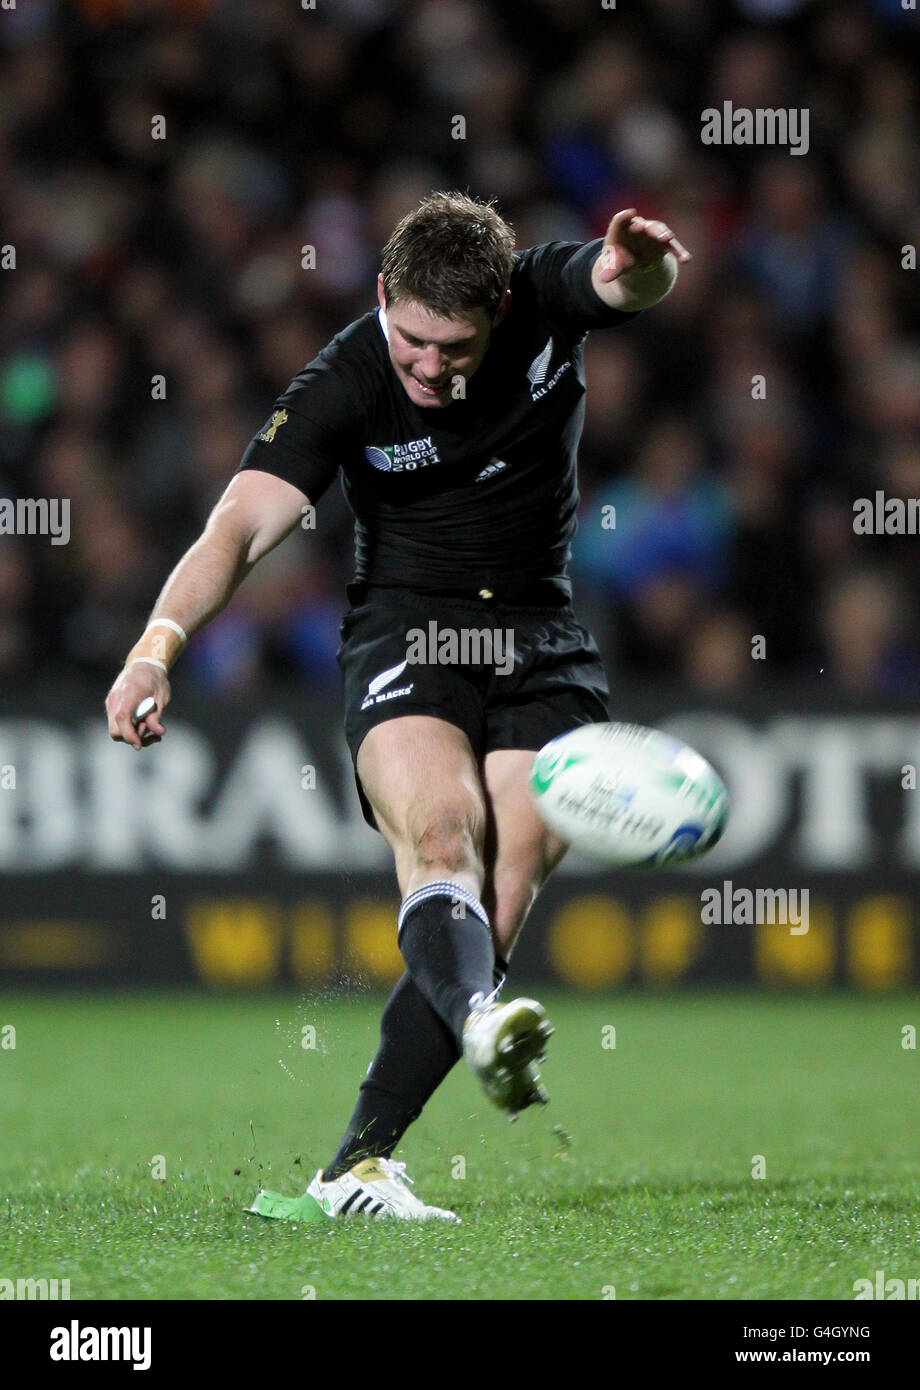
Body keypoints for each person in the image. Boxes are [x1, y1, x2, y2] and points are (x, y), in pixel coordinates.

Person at [105, 193, 689, 1222]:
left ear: (498, 309)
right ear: (382, 297)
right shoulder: (345, 380)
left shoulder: (542, 300)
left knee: (504, 888)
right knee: (439, 833)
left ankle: (355, 1163)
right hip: (405, 634)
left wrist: (645, 264)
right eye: (410, 339)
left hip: (539, 637)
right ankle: (472, 1021)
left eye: (451, 348)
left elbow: (620, 281)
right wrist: (158, 647)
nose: (427, 368)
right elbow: (238, 527)